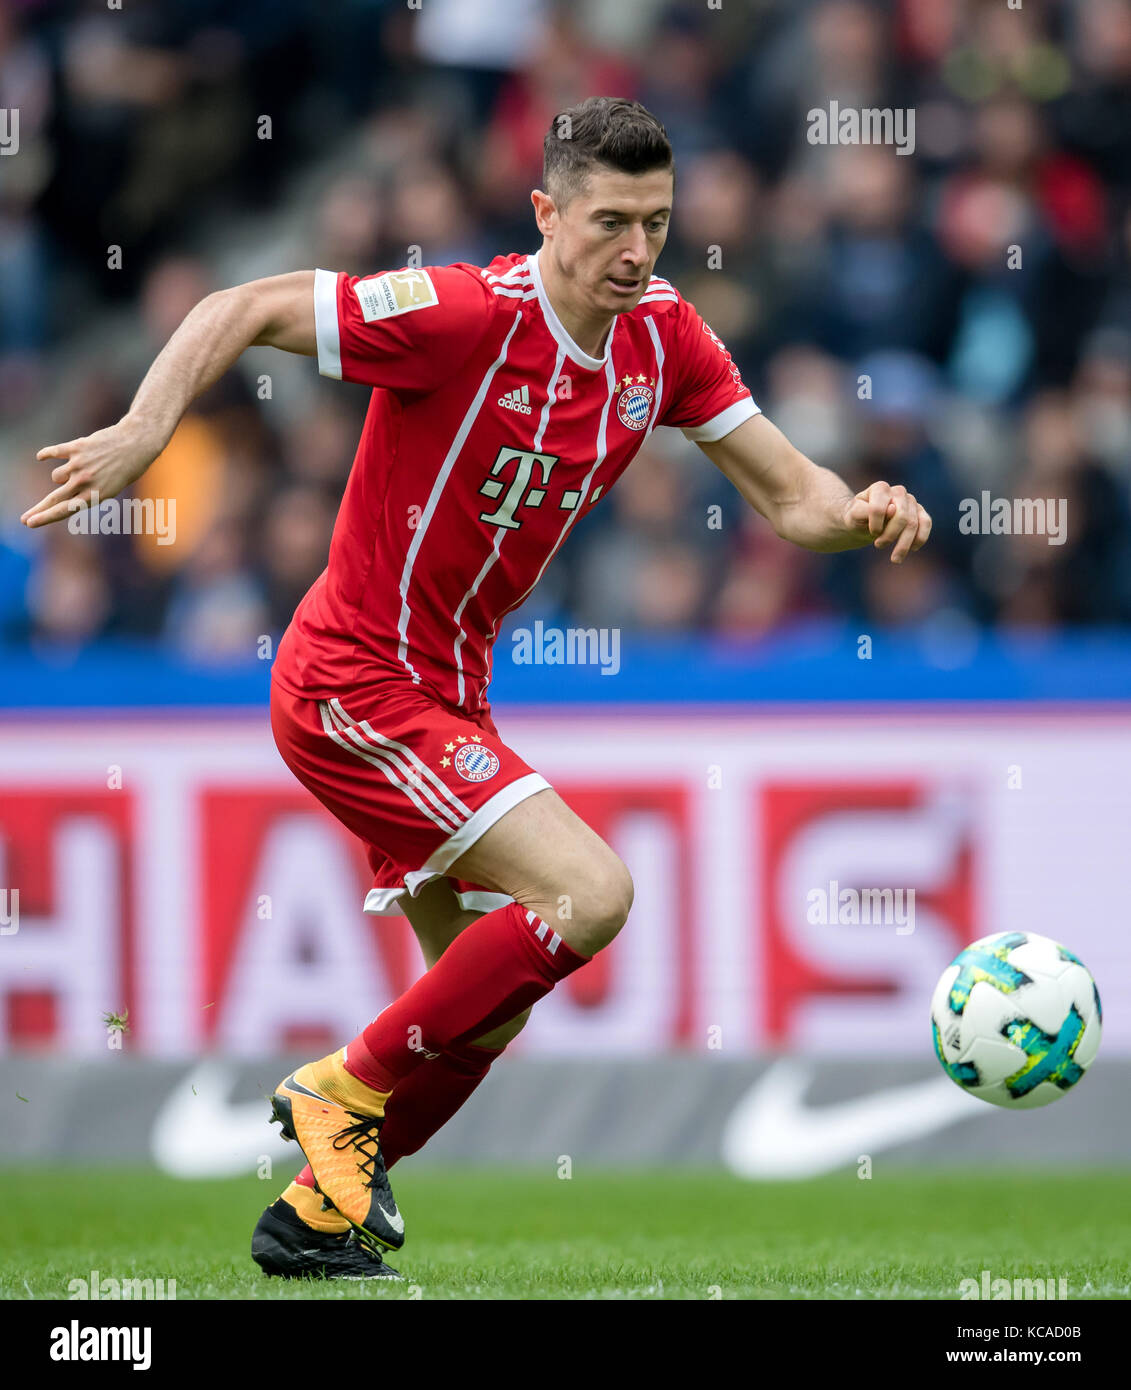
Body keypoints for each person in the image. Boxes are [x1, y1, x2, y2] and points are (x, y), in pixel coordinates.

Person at [21, 97, 931, 1280]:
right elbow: (240, 303)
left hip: (448, 698)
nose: (637, 250)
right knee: (591, 892)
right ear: (548, 212)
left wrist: (862, 511)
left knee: (481, 1008)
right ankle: (337, 1087)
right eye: (610, 222)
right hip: (352, 679)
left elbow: (795, 496)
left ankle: (315, 1213)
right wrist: (147, 428)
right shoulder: (461, 314)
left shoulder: (664, 339)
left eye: (656, 223)